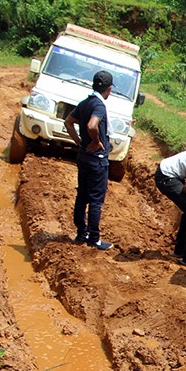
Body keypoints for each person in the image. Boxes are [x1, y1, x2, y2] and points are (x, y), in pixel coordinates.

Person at [64, 70, 116, 250]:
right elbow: (92, 125)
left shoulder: (85, 102)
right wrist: (96, 141)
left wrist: (79, 142)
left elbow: (68, 121)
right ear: (108, 89)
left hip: (83, 157)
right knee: (95, 200)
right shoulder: (99, 106)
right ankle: (94, 239)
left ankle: (81, 233)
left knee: (82, 195)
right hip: (96, 159)